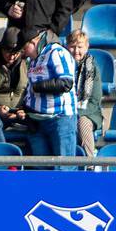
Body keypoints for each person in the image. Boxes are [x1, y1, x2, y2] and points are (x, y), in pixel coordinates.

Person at [22, 28, 78, 158]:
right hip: (37, 120)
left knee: (63, 167)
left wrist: (38, 87)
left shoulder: (56, 52)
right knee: (41, 167)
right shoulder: (32, 60)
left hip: (60, 118)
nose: (23, 52)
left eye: (24, 48)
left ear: (33, 43)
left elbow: (66, 83)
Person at [67, 30, 104, 156]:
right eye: (72, 47)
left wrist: (76, 114)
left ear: (87, 47)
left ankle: (89, 163)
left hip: (89, 112)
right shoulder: (62, 65)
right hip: (65, 111)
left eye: (80, 47)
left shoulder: (92, 68)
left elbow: (95, 101)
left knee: (82, 123)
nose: (76, 51)